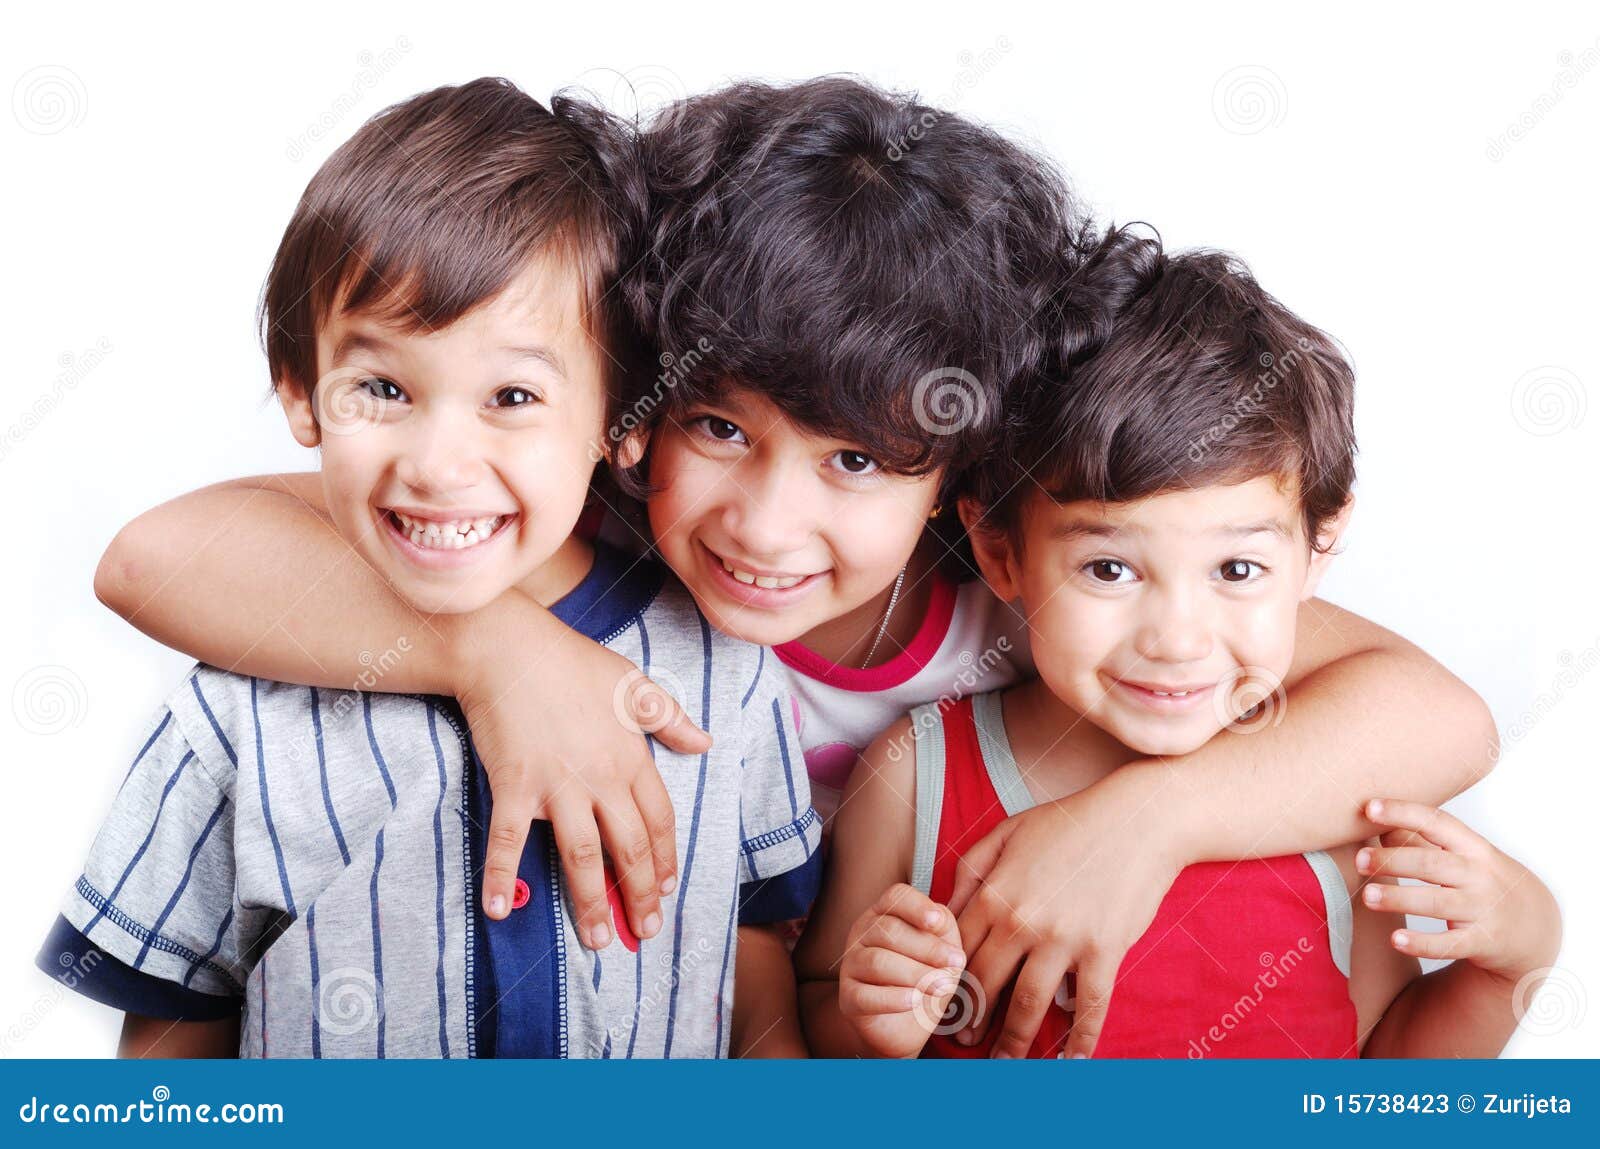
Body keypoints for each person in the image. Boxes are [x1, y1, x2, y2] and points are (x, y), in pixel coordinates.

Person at [90, 78, 1498, 1057]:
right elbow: (158, 554)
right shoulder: (576, 522)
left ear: (969, 476)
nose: (766, 529)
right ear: (637, 400)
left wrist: (1147, 824)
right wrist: (498, 649)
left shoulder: (1017, 593)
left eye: (861, 461)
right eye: (719, 427)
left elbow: (1438, 716)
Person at [37, 78, 818, 1058]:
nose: (439, 464)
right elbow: (173, 1032)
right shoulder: (236, 712)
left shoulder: (727, 680)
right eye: (383, 387)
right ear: (302, 393)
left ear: (622, 419)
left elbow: (753, 952)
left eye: (513, 395)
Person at [794, 235, 1560, 1058]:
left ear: (1319, 548)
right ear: (1000, 551)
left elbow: (1389, 1091)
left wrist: (1515, 955)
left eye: (1236, 567)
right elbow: (818, 1012)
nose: (1177, 638)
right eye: (1110, 567)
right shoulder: (915, 774)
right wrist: (869, 1019)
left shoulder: (1341, 814)